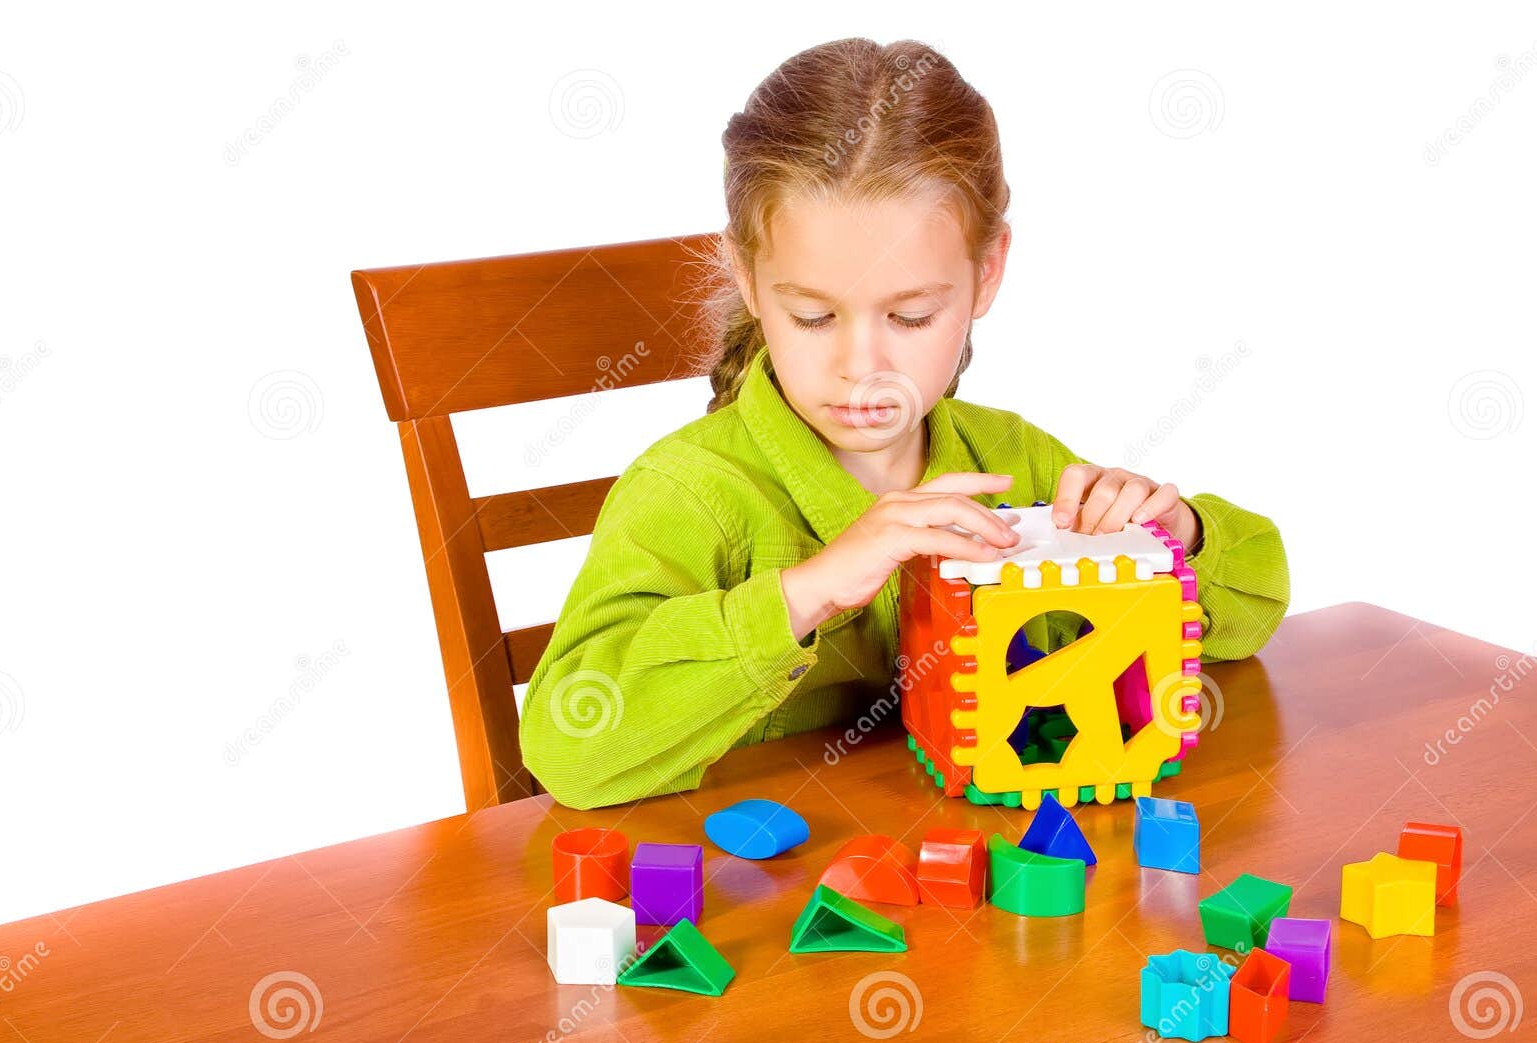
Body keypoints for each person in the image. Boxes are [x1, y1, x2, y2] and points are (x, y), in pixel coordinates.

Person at [520, 38, 1289, 809]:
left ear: (986, 273)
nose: (865, 365)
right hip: (775, 906)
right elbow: (567, 752)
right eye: (814, 316)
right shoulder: (688, 495)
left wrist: (1174, 536)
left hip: (999, 888)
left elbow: (1256, 601)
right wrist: (805, 592)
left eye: (911, 315)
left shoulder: (1012, 459)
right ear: (749, 279)